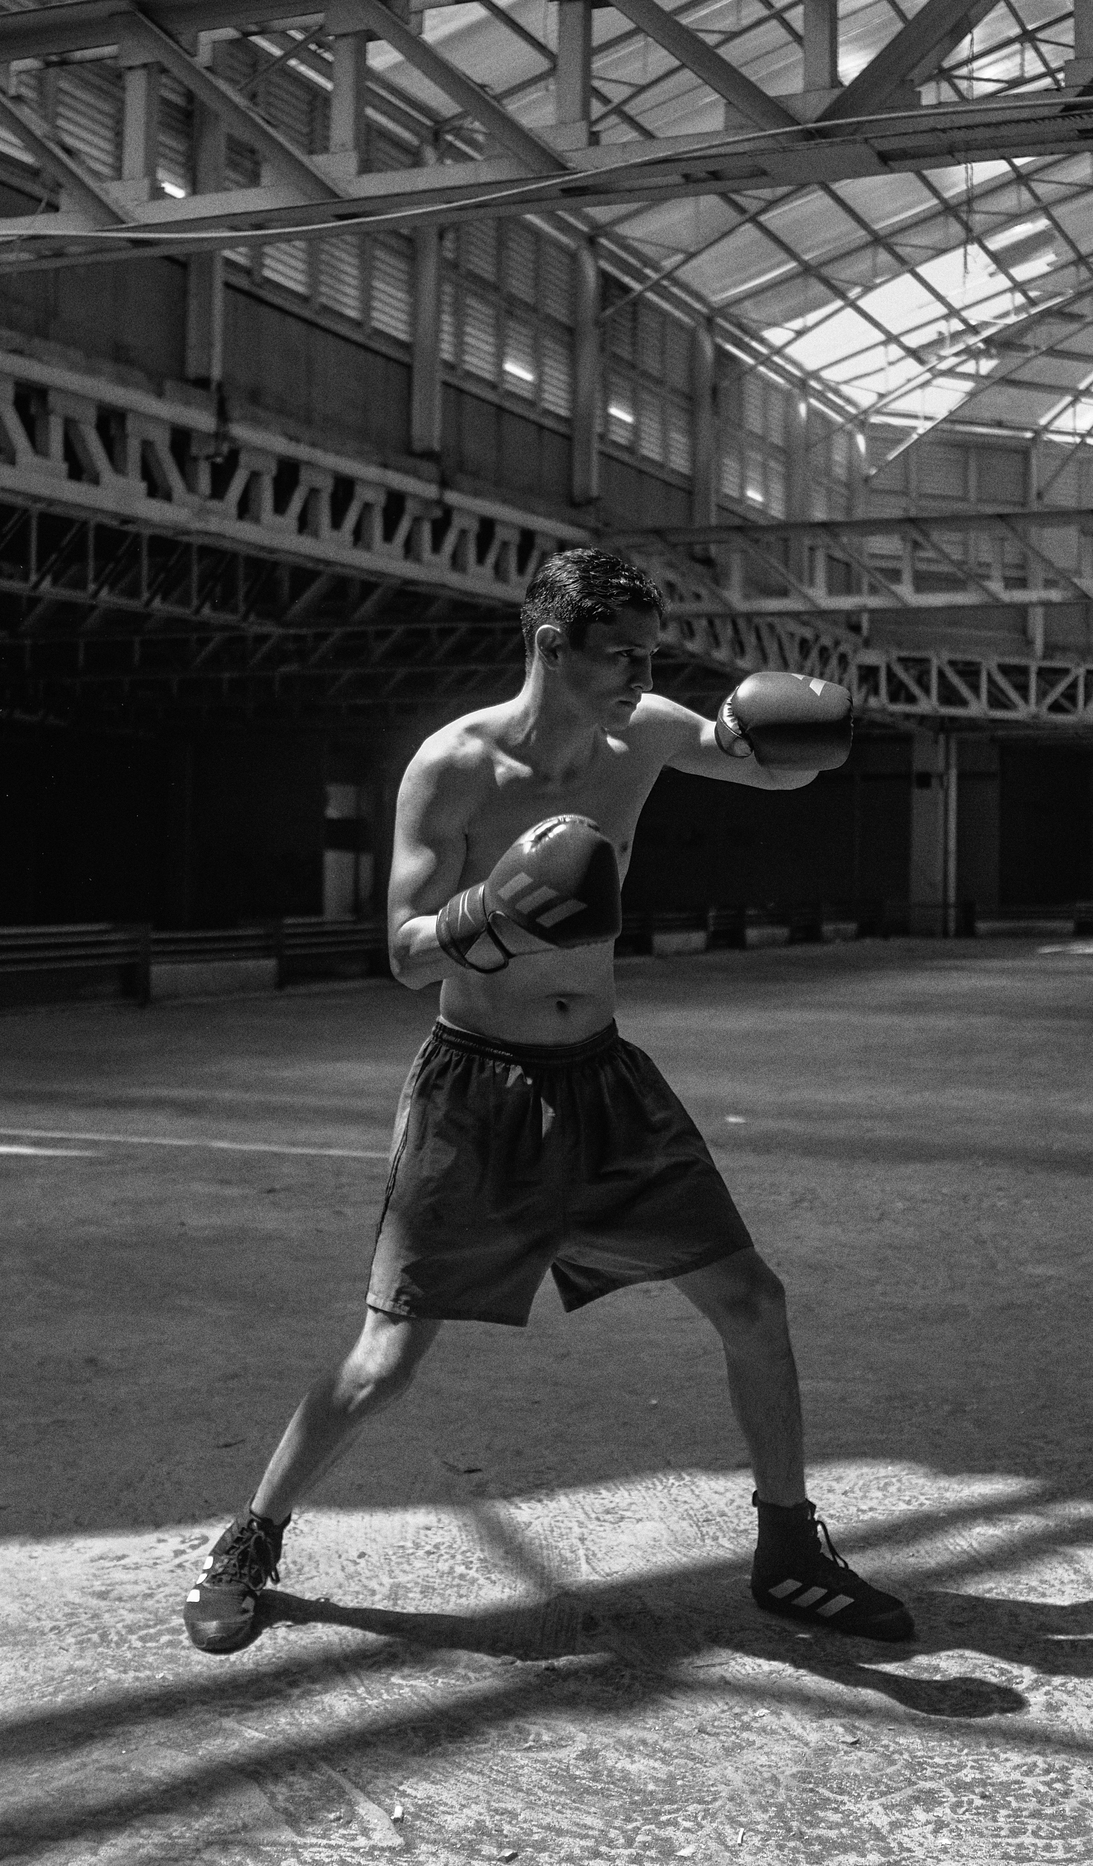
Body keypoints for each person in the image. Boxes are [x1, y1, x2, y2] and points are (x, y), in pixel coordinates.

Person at [184, 548, 913, 1655]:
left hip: (607, 1081)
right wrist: (500, 910)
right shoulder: (456, 765)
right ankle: (248, 1538)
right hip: (476, 1092)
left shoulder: (647, 731)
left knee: (752, 1305)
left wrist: (801, 729)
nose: (635, 671)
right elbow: (403, 953)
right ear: (548, 646)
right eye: (614, 653)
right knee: (385, 1361)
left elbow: (761, 767)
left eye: (646, 652)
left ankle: (787, 1548)